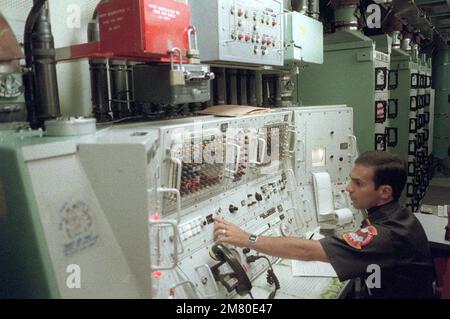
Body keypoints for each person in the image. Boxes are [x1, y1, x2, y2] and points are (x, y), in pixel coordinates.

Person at [213, 151, 434, 299]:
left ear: (385, 192)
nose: (348, 188)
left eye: (358, 183)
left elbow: (305, 250)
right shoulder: (393, 214)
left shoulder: (386, 233)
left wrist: (247, 238)